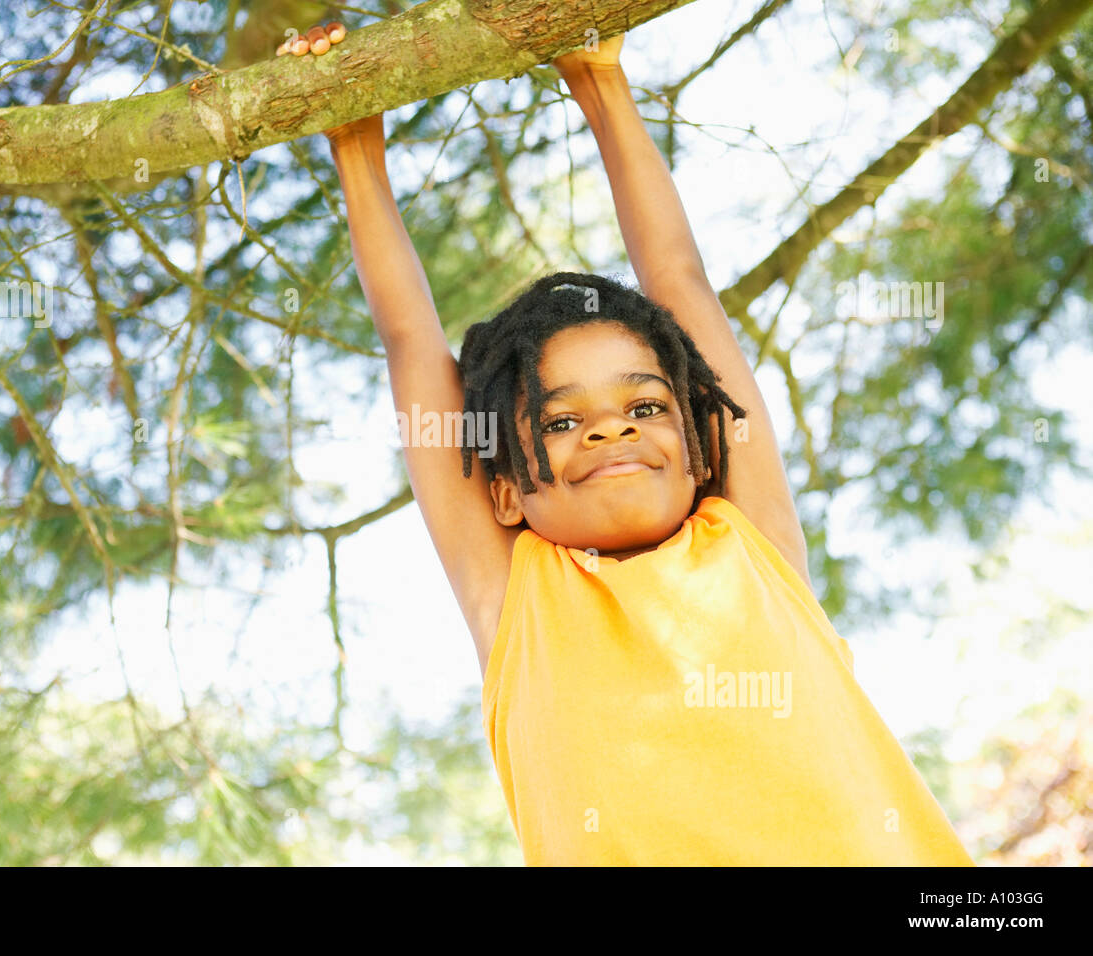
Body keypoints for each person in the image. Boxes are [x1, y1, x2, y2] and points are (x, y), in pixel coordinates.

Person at [292, 22, 975, 866]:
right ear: (504, 491)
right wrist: (355, 145)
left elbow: (678, 277)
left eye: (644, 408)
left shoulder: (751, 542)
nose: (612, 428)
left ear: (698, 445)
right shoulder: (517, 599)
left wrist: (598, 73)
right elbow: (410, 341)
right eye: (561, 421)